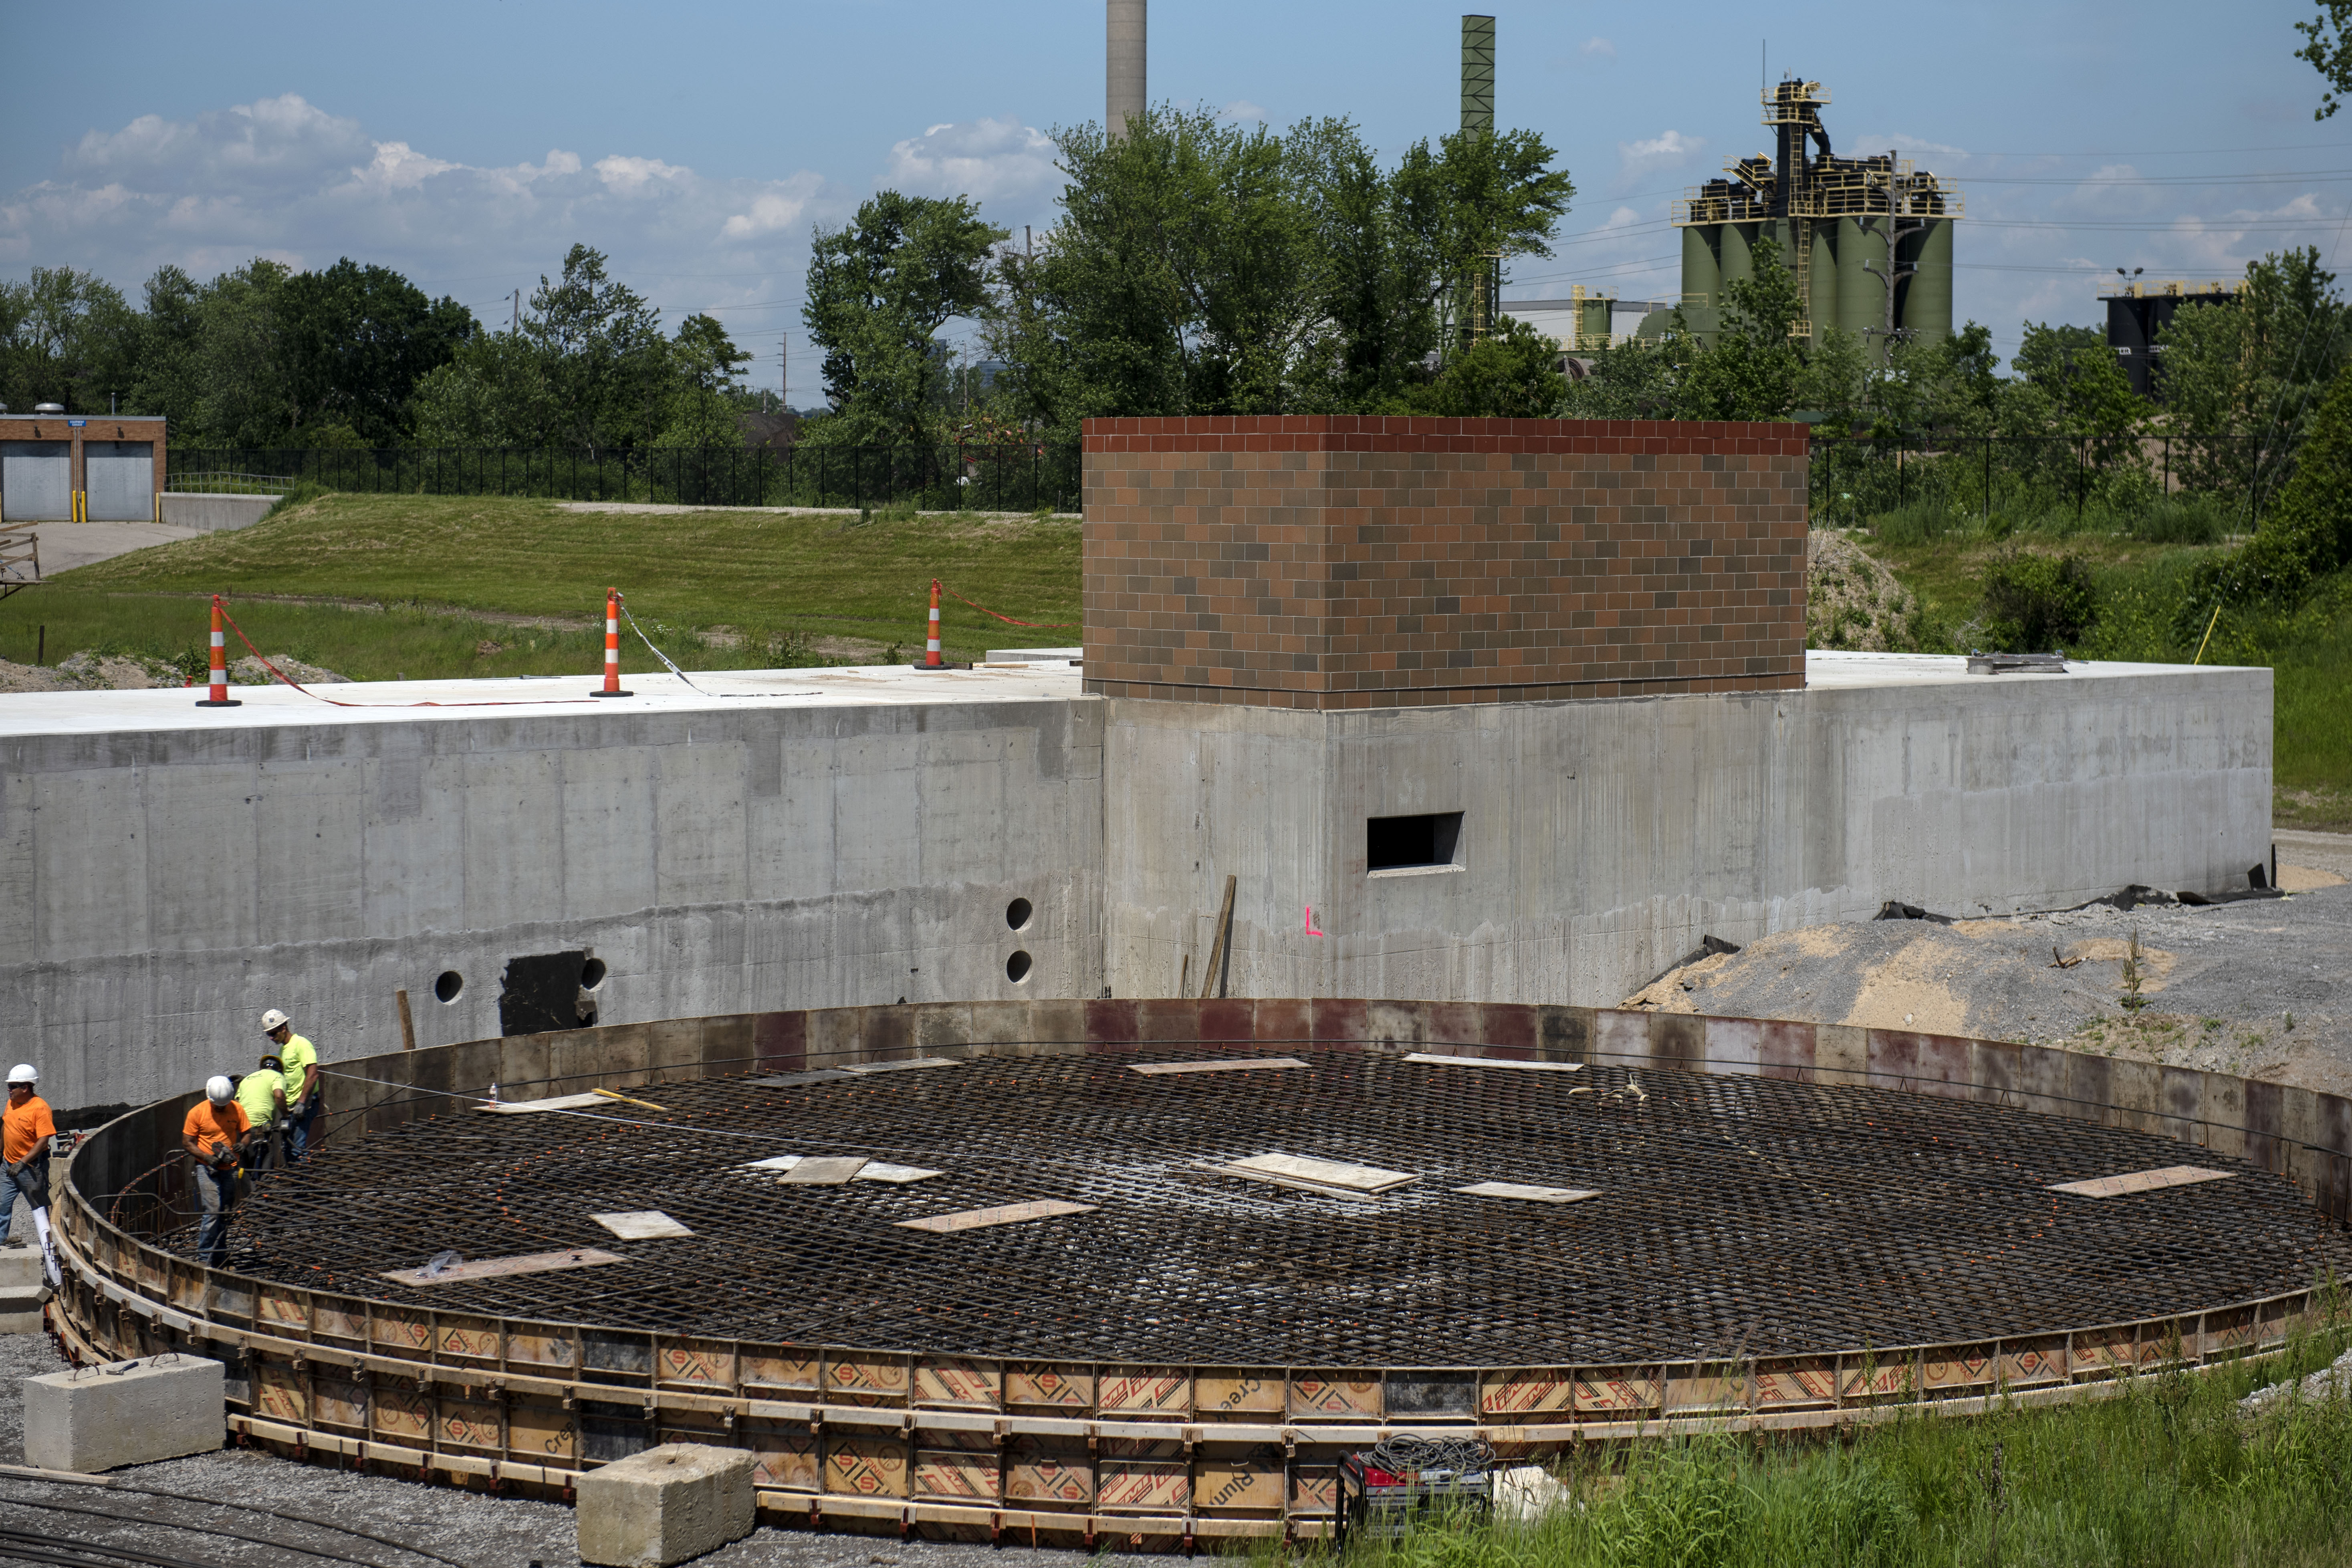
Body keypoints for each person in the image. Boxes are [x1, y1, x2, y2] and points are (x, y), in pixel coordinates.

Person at [1, 1065, 57, 1292]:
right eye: (9, 1086)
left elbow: (43, 1141)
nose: (9, 1090)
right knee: (1, 1203)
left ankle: (53, 1252)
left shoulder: (40, 1108)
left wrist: (23, 1162)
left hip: (30, 1168)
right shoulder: (12, 1103)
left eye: (13, 1086)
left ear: (26, 1087)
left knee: (40, 1208)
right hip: (8, 1165)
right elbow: (6, 1126)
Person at [182, 1076, 248, 1268]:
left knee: (225, 1212)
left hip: (230, 1168)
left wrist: (243, 1145)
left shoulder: (237, 1109)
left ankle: (220, 1256)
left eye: (223, 1106)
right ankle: (205, 1259)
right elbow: (187, 1142)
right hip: (207, 1168)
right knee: (213, 1211)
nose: (220, 1109)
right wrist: (206, 1157)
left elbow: (247, 1133)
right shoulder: (197, 1113)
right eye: (217, 1106)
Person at [261, 1010, 320, 1162]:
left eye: (273, 1033)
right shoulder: (284, 1049)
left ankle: (303, 1176)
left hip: (304, 1104)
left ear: (283, 1028)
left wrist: (302, 1102)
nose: (271, 1038)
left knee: (297, 1149)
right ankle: (296, 1174)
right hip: (292, 1107)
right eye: (268, 1035)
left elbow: (313, 1074)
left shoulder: (301, 1044)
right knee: (288, 1148)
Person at [234, 1054, 290, 1170]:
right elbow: (279, 1096)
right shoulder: (278, 1076)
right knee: (265, 1165)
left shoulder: (247, 1079)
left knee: (245, 1168)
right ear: (280, 1070)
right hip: (261, 1129)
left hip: (242, 1129)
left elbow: (236, 1103)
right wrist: (286, 1115)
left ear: (261, 1068)